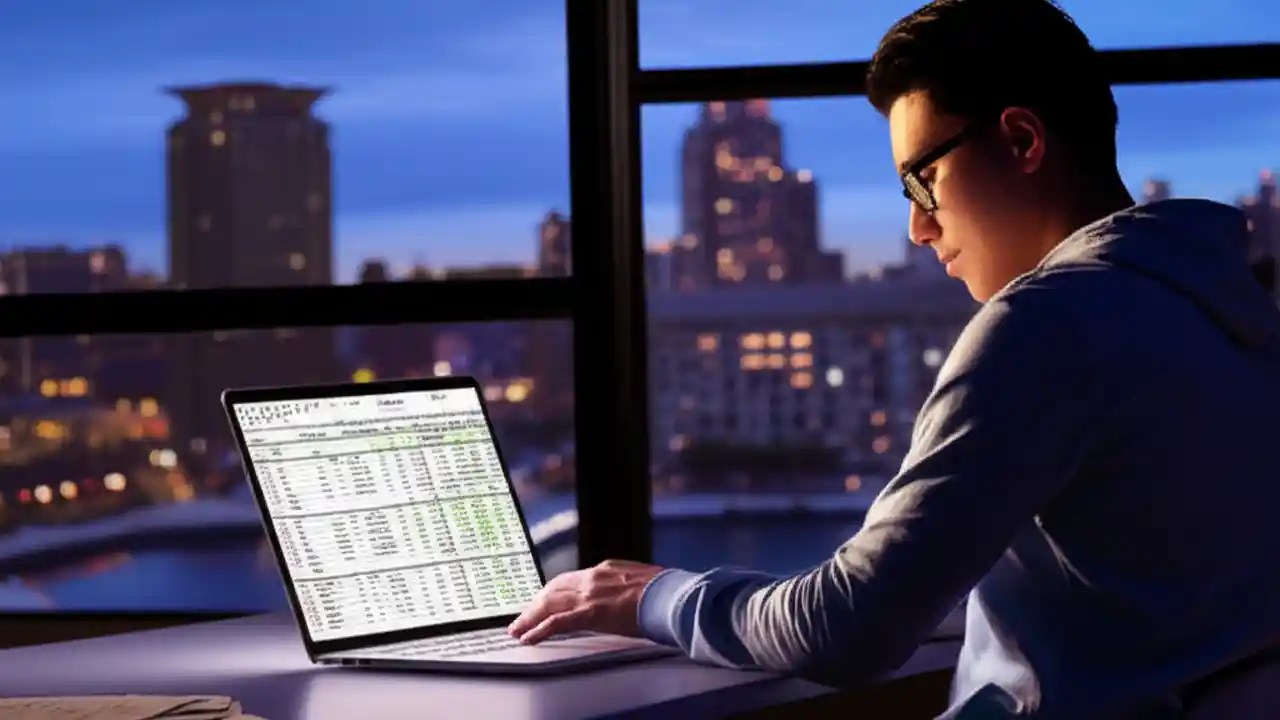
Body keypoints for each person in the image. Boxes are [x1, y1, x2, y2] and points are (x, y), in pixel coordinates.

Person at [508, 0, 1280, 716]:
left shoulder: (1045, 324)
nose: (917, 226)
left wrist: (655, 598)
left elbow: (847, 629)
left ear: (1020, 140)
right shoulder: (1228, 303)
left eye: (924, 178)